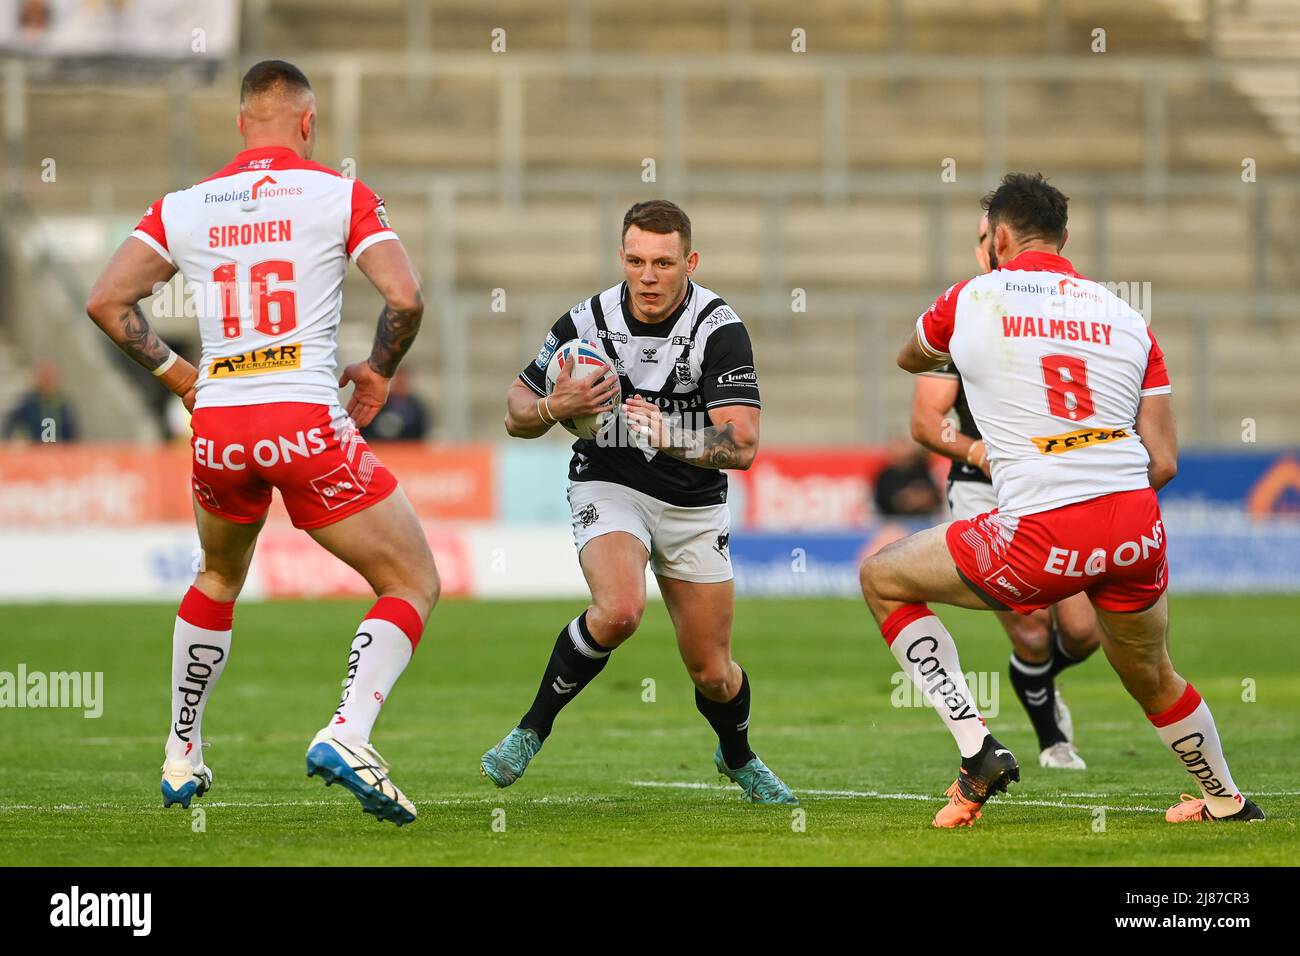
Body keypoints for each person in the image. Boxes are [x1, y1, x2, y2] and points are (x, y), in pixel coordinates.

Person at [84, 59, 438, 827]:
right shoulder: (338, 193)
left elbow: (107, 299)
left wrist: (184, 380)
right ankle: (347, 731)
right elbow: (405, 297)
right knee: (411, 581)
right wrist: (379, 371)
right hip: (301, 417)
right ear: (308, 124)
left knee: (216, 575)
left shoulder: (185, 205)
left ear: (241, 122)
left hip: (220, 424)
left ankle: (181, 753)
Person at [860, 172, 1262, 828]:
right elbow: (1164, 461)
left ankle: (977, 749)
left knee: (882, 578)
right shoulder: (1128, 318)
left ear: (999, 238)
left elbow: (911, 358)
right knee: (1152, 673)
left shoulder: (971, 296)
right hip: (1135, 524)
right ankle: (1226, 799)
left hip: (1040, 528)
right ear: (1065, 238)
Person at [479, 200, 797, 804]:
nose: (647, 277)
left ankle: (737, 755)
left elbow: (744, 444)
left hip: (693, 503)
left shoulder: (718, 328)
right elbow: (516, 412)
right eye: (635, 261)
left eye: (663, 263)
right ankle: (529, 731)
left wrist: (670, 434)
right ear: (621, 258)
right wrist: (554, 406)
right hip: (610, 482)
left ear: (690, 263)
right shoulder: (587, 322)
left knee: (713, 673)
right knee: (620, 610)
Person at [909, 213, 1104, 770]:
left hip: (1051, 486)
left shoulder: (1066, 311)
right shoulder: (964, 313)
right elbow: (926, 422)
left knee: (1084, 633)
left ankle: (1034, 679)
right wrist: (980, 454)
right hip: (983, 489)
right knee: (1032, 627)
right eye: (982, 239)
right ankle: (1053, 741)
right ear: (985, 249)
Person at [2, 361, 78, 442]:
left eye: (51, 378)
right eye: (45, 378)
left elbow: (73, 434)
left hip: (59, 448)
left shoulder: (64, 406)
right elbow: (9, 423)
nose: (48, 382)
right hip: (35, 448)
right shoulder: (28, 403)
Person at [873, 435, 944, 517]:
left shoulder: (923, 469)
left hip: (925, 519)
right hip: (895, 520)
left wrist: (924, 498)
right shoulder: (886, 475)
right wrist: (904, 500)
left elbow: (935, 496)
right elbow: (884, 501)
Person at [360, 366, 431, 441]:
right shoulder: (377, 404)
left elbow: (421, 432)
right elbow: (366, 429)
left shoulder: (416, 408)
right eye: (398, 381)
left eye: (403, 382)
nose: (400, 385)